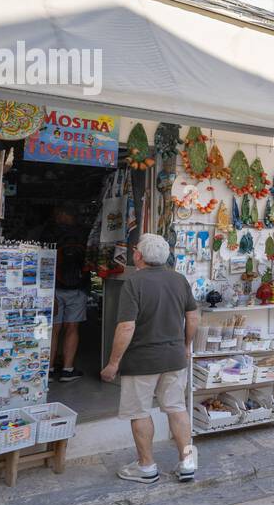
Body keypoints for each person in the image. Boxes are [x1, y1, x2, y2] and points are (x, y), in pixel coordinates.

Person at [101, 234, 200, 484]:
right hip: (174, 357)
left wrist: (113, 363)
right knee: (177, 408)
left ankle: (146, 466)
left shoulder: (134, 283)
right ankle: (187, 461)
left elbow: (126, 327)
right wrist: (186, 345)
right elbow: (193, 317)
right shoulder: (179, 280)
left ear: (138, 256)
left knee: (139, 411)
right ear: (166, 256)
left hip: (142, 359)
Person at [39, 205, 89, 383]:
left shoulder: (48, 232)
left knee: (52, 329)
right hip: (78, 287)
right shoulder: (83, 234)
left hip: (53, 287)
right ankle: (68, 369)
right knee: (72, 327)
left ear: (60, 214)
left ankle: (48, 369)